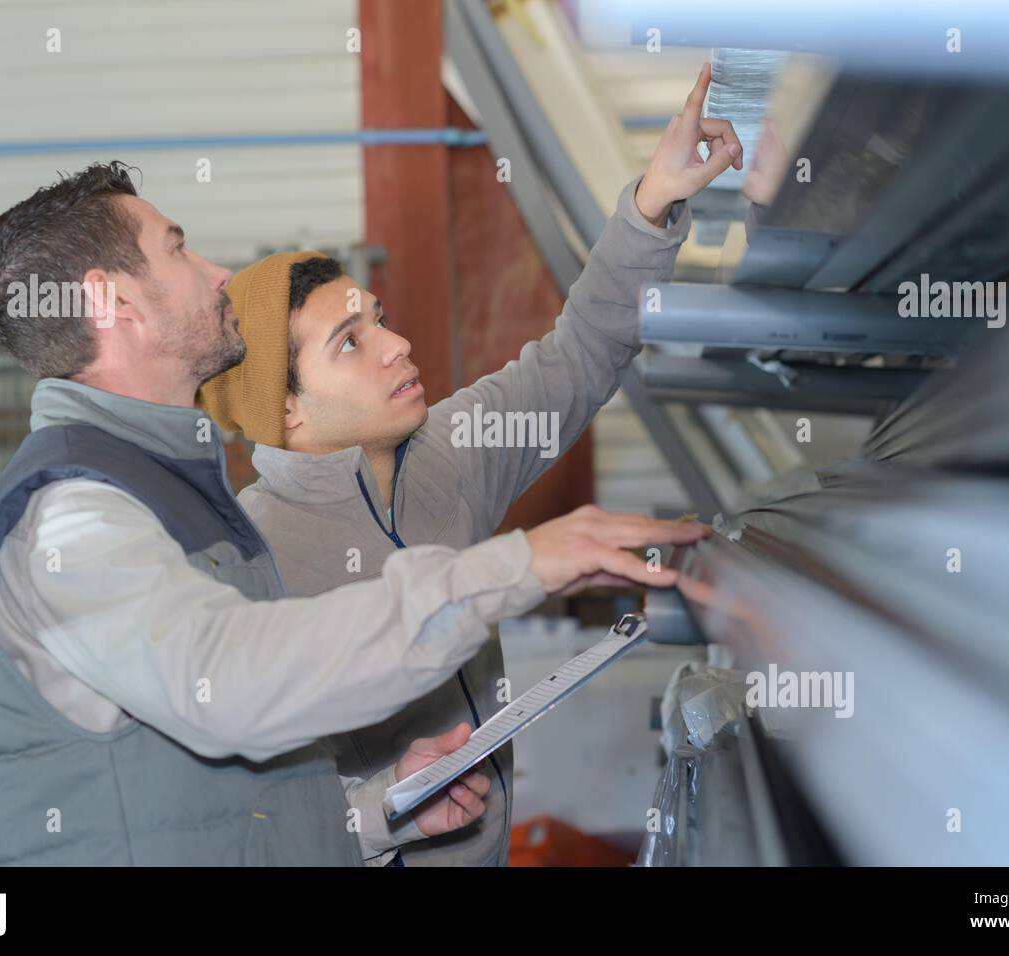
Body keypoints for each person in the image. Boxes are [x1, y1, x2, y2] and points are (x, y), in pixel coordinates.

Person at [0, 149, 708, 865]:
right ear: (113, 300)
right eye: (178, 250)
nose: (217, 273)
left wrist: (385, 807)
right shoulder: (71, 514)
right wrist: (512, 567)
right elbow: (229, 683)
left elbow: (238, 800)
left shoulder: (176, 495)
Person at [197, 65, 742, 865]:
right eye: (352, 343)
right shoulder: (248, 562)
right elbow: (238, 833)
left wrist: (654, 199)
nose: (398, 345)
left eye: (377, 320)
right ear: (288, 411)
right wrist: (386, 808)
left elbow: (580, 354)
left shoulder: (443, 456)